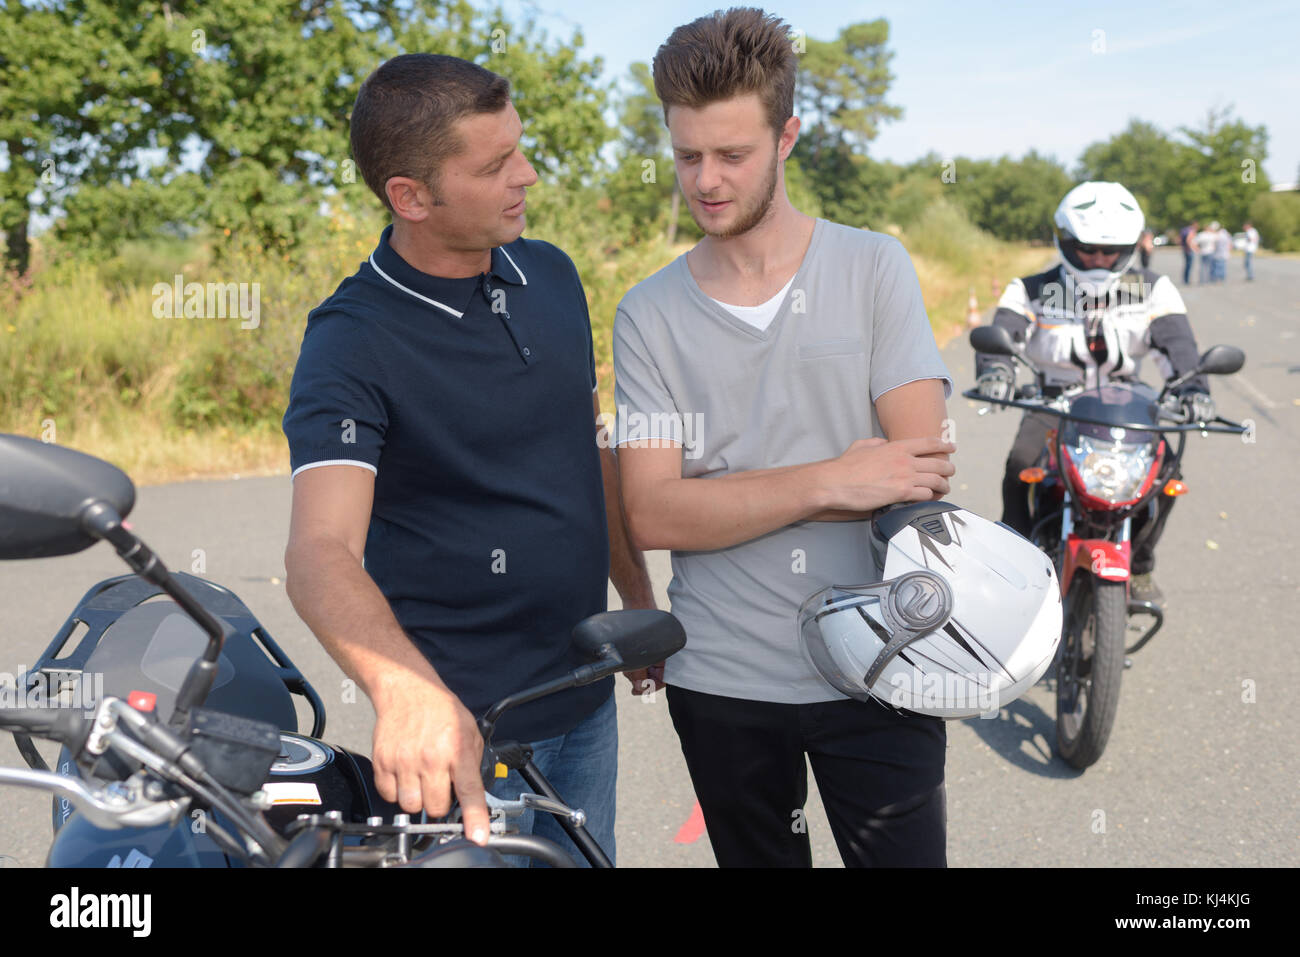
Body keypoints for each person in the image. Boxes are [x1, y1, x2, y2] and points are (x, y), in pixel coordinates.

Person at [280, 53, 656, 867]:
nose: (527, 174)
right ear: (410, 196)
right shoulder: (349, 341)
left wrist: (634, 591)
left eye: (519, 148)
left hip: (583, 699)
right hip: (455, 736)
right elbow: (320, 550)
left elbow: (586, 446)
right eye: (494, 166)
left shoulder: (552, 274)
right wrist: (405, 691)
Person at [612, 7, 956, 868]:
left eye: (733, 154)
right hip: (721, 680)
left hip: (884, 664)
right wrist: (832, 480)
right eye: (688, 154)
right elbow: (653, 513)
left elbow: (915, 474)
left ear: (787, 137)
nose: (706, 180)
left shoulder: (873, 266)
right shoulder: (647, 314)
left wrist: (727, 496)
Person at [974, 181, 1216, 607]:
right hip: (1054, 404)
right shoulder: (1029, 288)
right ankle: (1014, 563)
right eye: (1087, 249)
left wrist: (1195, 389)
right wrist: (996, 372)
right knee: (1019, 465)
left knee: (1168, 475)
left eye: (1110, 250)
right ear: (1065, 241)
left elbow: (1178, 347)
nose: (1099, 259)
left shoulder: (1153, 288)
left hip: (1128, 406)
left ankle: (1140, 563)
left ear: (1130, 246)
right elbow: (1005, 338)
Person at [1179, 220, 1198, 285]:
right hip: (1189, 250)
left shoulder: (1186, 230)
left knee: (1187, 265)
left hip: (1185, 249)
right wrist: (1195, 248)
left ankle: (1185, 279)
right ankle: (1187, 280)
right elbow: (1188, 240)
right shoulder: (1191, 230)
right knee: (1189, 266)